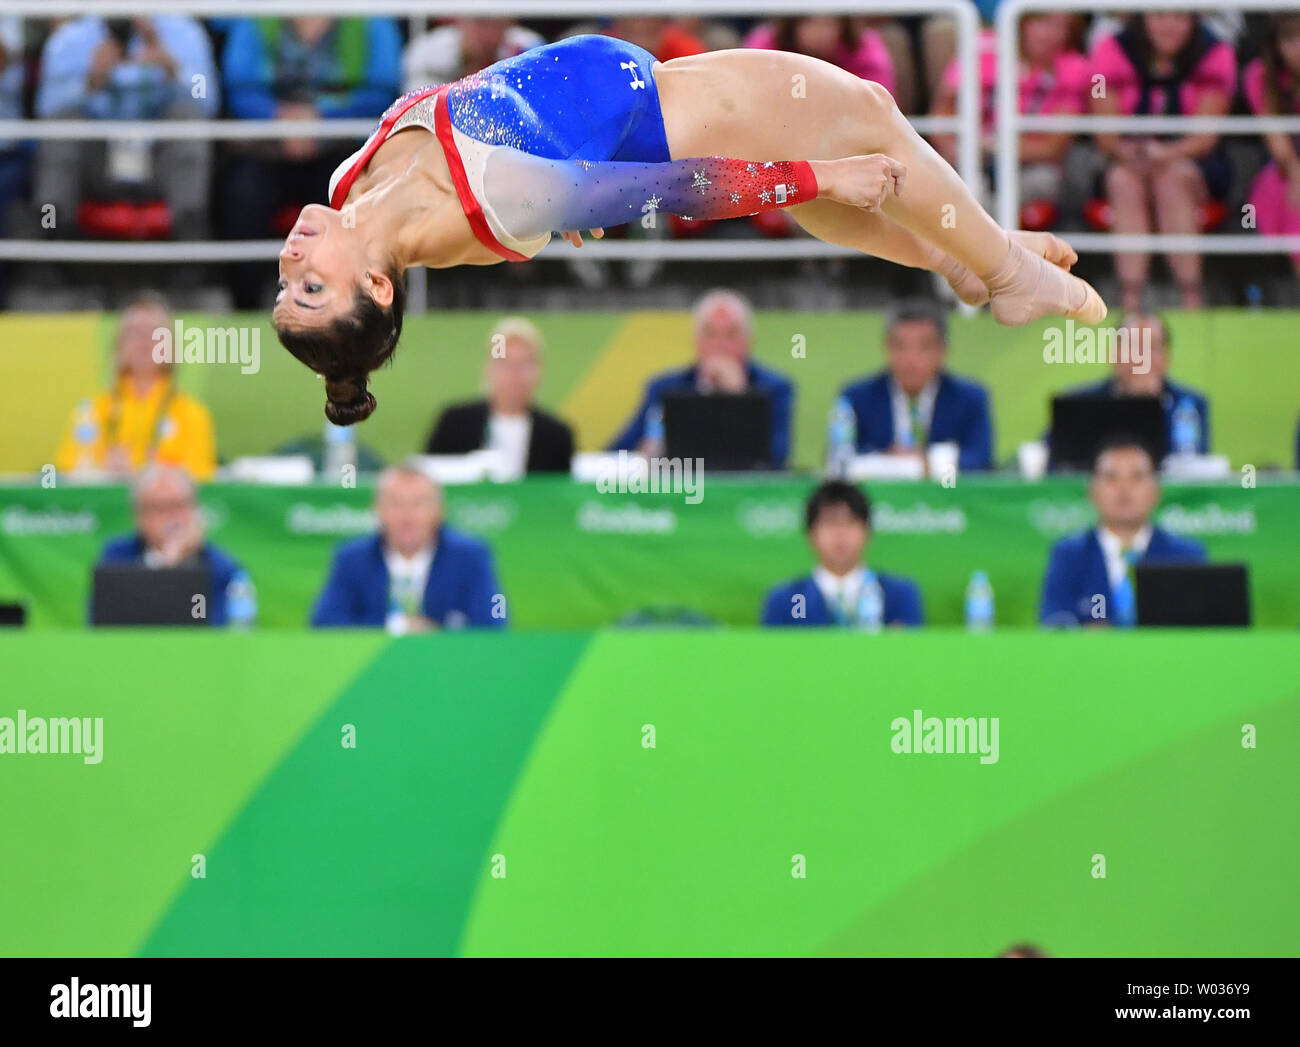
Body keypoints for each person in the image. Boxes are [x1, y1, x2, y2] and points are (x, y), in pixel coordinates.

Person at [273, 34, 1106, 424]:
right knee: (865, 118)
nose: (291, 259)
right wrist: (816, 176)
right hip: (657, 117)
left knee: (837, 171)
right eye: (312, 287)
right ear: (378, 286)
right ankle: (1006, 276)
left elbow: (546, 182)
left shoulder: (354, 184)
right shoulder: (487, 199)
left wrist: (569, 194)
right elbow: (681, 191)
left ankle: (957, 258)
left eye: (287, 285)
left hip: (629, 106)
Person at [221, 16, 402, 307]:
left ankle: (341, 305)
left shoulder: (373, 21)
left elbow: (383, 91)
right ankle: (245, 307)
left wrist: (320, 120)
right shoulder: (254, 20)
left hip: (340, 148)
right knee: (241, 194)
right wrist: (280, 119)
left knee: (348, 197)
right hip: (268, 148)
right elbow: (237, 88)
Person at [1089, 13, 1237, 309]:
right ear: (1142, 17)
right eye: (1159, 15)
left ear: (1193, 19)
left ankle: (1191, 297)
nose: (1168, 26)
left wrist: (1165, 154)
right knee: (1122, 181)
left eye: (1178, 17)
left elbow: (1205, 138)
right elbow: (1105, 132)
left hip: (1194, 162)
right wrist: (1131, 154)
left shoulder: (1216, 52)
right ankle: (1130, 301)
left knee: (1172, 178)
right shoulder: (1110, 50)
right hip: (1127, 159)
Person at [33, 14, 217, 242]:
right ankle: (48, 238)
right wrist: (89, 82)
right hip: (96, 156)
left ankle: (193, 248)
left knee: (189, 120)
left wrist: (174, 71)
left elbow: (208, 103)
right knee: (63, 127)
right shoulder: (69, 39)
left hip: (160, 155)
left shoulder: (186, 33)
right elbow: (45, 108)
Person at [608, 288, 792, 469]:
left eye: (731, 334)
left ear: (748, 340)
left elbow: (777, 458)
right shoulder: (665, 388)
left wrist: (740, 397)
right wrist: (646, 452)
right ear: (697, 341)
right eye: (711, 334)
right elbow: (615, 453)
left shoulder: (775, 389)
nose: (721, 344)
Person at [310, 463, 506, 631]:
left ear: (439, 511)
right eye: (396, 504)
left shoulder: (471, 556)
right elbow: (324, 623)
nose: (407, 516)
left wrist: (438, 634)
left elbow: (496, 622)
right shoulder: (352, 558)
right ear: (377, 510)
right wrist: (394, 628)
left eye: (418, 504)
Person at [1039, 436, 1206, 627]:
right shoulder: (1069, 556)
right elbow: (1054, 623)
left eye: (1136, 477)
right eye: (1111, 478)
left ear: (1156, 491)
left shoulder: (1186, 556)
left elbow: (1200, 630)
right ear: (1092, 491)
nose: (1124, 489)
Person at [54, 291, 217, 480]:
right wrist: (102, 471)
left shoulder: (192, 414)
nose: (145, 341)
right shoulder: (92, 411)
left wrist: (151, 474)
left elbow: (200, 482)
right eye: (134, 332)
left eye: (156, 333)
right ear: (118, 345)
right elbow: (68, 476)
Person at [831, 298, 993, 471]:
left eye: (923, 347)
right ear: (886, 347)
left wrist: (929, 462)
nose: (911, 359)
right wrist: (887, 462)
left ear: (943, 351)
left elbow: (980, 459)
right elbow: (839, 459)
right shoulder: (856, 397)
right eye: (900, 346)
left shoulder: (970, 398)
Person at [92, 466, 245, 626]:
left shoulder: (220, 566)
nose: (174, 517)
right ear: (140, 515)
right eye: (161, 507)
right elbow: (106, 622)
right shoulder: (117, 558)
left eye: (181, 505)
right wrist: (165, 563)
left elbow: (220, 627)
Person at [425, 316, 575, 476]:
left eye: (525, 365)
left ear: (539, 371)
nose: (515, 374)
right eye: (505, 364)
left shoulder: (556, 435)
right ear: (488, 368)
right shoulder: (454, 424)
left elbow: (562, 494)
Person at [761, 481, 923, 628]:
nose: (840, 533)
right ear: (811, 533)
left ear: (867, 531)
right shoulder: (786, 600)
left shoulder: (899, 595)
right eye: (830, 523)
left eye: (850, 522)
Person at [1056, 312, 1210, 456]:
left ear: (1166, 357)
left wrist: (1151, 403)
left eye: (1151, 347)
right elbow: (1049, 457)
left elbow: (1190, 464)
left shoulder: (1188, 405)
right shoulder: (1079, 405)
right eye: (1134, 346)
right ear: (1114, 353)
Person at [1243, 13, 1300, 281]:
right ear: (1276, 44)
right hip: (1284, 170)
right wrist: (1297, 174)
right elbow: (1275, 136)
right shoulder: (1260, 75)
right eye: (1290, 38)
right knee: (1290, 197)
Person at [403, 17, 544, 90]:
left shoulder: (528, 47)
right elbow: (418, 103)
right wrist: (463, 63)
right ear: (462, 21)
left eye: (497, 24)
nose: (488, 34)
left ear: (510, 22)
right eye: (481, 23)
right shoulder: (428, 50)